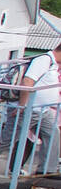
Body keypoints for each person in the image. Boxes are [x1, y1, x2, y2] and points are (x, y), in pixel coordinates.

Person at [19, 42, 61, 175]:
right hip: (33, 109)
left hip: (45, 110)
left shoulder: (54, 64)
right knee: (11, 138)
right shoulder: (43, 60)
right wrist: (23, 105)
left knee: (53, 135)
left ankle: (47, 170)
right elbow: (27, 82)